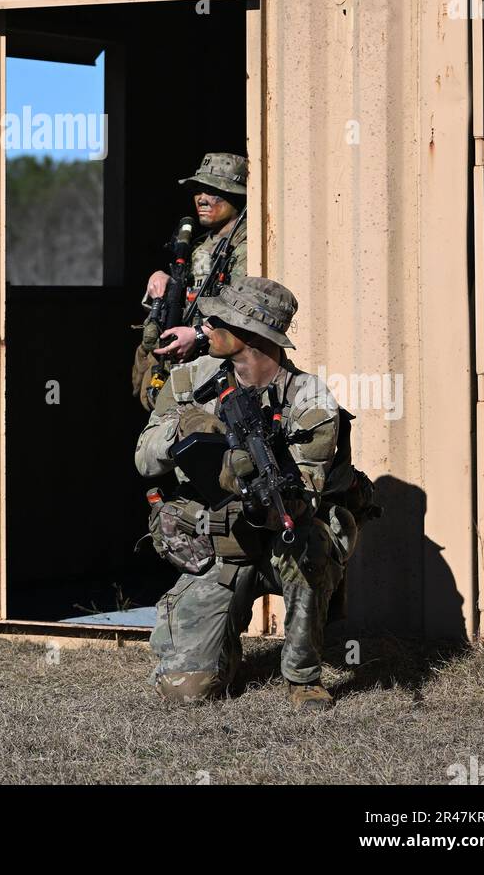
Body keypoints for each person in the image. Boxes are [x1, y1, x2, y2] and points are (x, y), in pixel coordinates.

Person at [135, 275, 361, 713]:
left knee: (310, 542)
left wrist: (245, 477)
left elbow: (303, 501)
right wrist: (182, 432)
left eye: (217, 319)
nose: (205, 324)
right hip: (216, 547)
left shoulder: (309, 399)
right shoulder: (188, 381)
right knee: (185, 689)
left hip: (280, 544)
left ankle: (302, 675)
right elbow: (144, 462)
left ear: (248, 333)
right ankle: (222, 648)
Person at [132, 152, 247, 411]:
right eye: (198, 190)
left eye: (213, 190)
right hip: (185, 369)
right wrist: (161, 279)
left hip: (217, 368)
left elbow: (242, 312)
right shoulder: (199, 246)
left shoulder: (245, 246)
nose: (202, 199)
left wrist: (198, 335)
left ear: (236, 195)